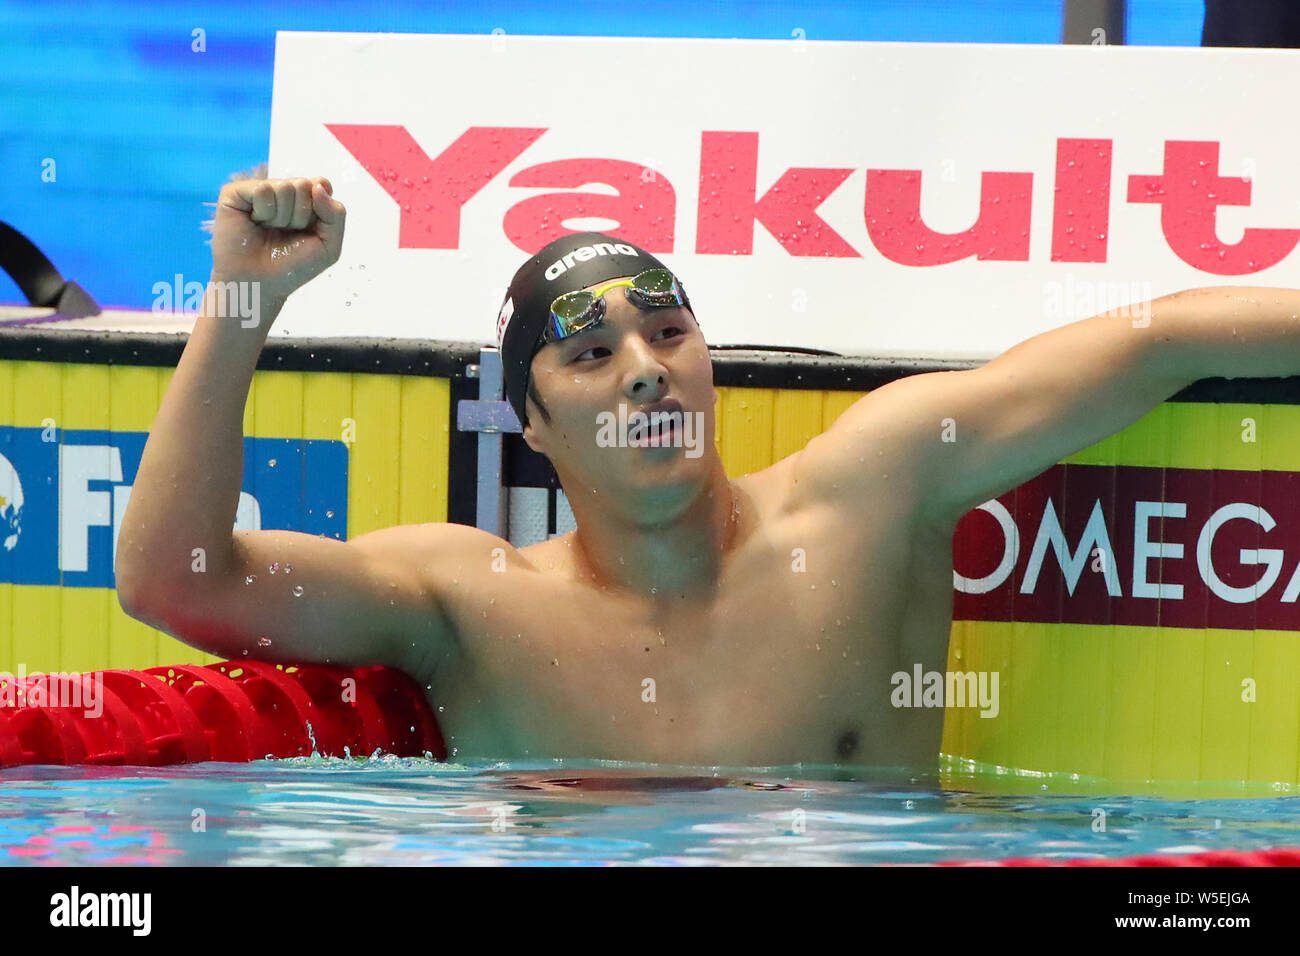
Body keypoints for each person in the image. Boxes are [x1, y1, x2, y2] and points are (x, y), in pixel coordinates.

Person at [116, 177, 1300, 769]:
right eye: (589, 354)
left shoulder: (870, 493)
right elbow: (176, 579)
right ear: (531, 422)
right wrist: (245, 299)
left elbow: (1161, 339)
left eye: (668, 334)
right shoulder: (471, 602)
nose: (643, 372)